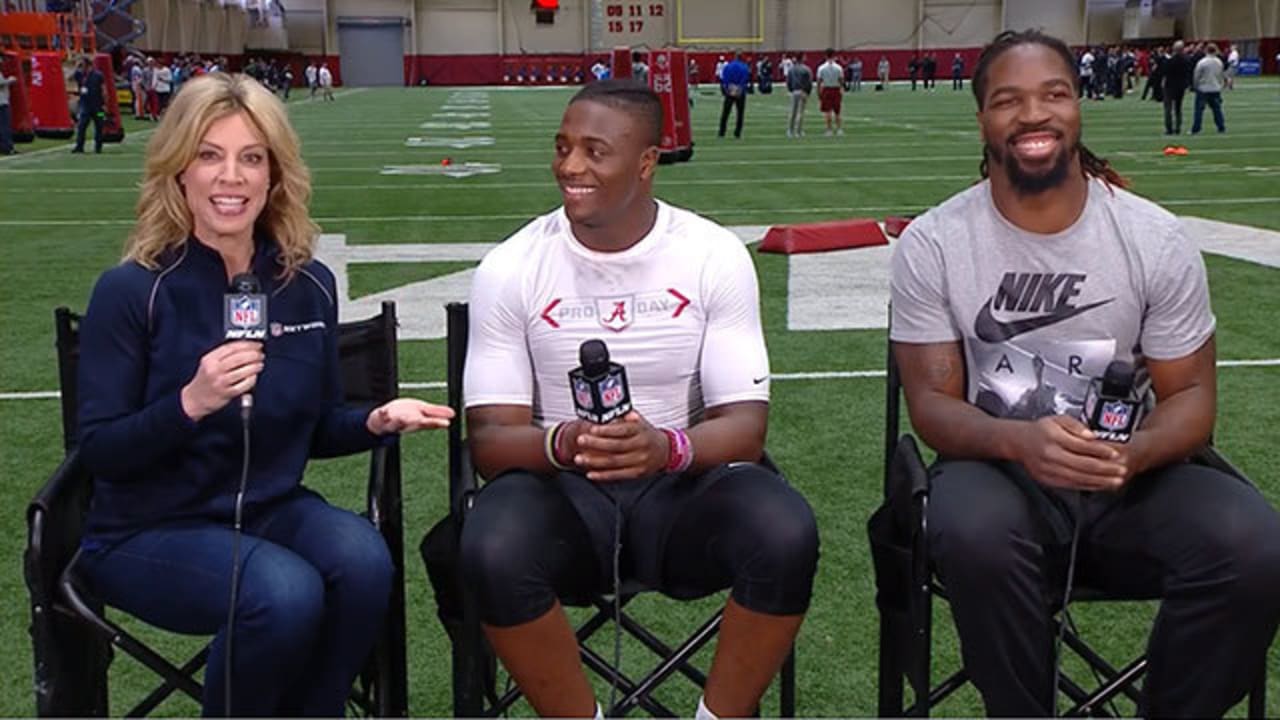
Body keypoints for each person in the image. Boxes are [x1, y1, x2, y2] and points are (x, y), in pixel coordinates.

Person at [889, 29, 1280, 717]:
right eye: (1008, 100)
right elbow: (932, 405)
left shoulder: (1152, 238)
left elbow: (1190, 397)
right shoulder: (935, 242)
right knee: (974, 532)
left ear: (1079, 107)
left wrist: (1134, 454)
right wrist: (1020, 441)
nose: (1033, 114)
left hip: (1129, 475)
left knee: (1253, 542)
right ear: (982, 118)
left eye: (1054, 95)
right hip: (997, 470)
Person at [74, 72, 455, 716]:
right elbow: (100, 451)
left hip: (269, 509)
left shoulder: (304, 284)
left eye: (251, 158)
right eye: (210, 155)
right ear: (179, 172)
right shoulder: (132, 290)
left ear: (274, 175)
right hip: (147, 527)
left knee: (363, 562)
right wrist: (189, 402)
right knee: (283, 590)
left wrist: (375, 420)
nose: (232, 177)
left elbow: (318, 424)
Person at [458, 80, 818, 720]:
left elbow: (744, 428)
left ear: (646, 163)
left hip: (683, 487)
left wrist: (665, 447)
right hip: (564, 493)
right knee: (491, 541)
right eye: (564, 147)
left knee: (784, 530)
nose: (571, 166)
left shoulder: (712, 255)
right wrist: (564, 441)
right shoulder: (510, 266)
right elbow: (490, 443)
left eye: (596, 151)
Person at [72, 57, 105, 154]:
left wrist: (105, 104)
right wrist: (77, 66)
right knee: (81, 126)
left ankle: (98, 147)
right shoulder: (80, 74)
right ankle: (79, 146)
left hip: (98, 106)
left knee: (100, 126)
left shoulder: (98, 75)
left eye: (82, 64)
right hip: (85, 106)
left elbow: (103, 90)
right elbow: (71, 77)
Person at [1192, 43, 1226, 134]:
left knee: (1199, 110)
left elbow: (1196, 76)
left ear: (1206, 50)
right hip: (1215, 88)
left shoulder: (1202, 62)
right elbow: (1221, 75)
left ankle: (1196, 129)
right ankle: (1221, 127)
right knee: (1217, 110)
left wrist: (1195, 86)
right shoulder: (1219, 62)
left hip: (1203, 89)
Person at [1162, 40, 1192, 134]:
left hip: (1170, 86)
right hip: (1181, 86)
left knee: (1168, 108)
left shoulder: (1170, 60)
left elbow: (1165, 72)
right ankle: (1178, 127)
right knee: (1178, 108)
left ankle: (1169, 128)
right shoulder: (1187, 60)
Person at [717, 52, 749, 139]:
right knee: (740, 113)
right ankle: (737, 133)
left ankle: (722, 132)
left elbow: (724, 79)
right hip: (740, 90)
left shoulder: (728, 66)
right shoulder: (744, 67)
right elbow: (745, 79)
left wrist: (728, 89)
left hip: (730, 90)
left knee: (725, 113)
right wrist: (740, 88)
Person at [816, 48, 843, 136]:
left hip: (826, 89)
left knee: (828, 111)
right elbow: (841, 81)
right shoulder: (839, 67)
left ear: (825, 56)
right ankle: (839, 129)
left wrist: (818, 93)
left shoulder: (821, 68)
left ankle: (829, 130)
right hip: (836, 89)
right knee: (837, 111)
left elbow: (819, 82)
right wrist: (841, 90)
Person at [785, 53, 812, 138]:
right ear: (802, 58)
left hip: (794, 91)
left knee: (792, 112)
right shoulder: (806, 69)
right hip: (803, 91)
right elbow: (809, 82)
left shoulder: (791, 69)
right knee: (800, 112)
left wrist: (790, 90)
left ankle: (790, 130)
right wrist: (807, 92)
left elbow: (788, 81)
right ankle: (798, 131)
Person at [0, 64, 15, 155]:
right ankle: (7, 147)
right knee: (4, 125)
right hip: (1, 102)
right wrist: (10, 80)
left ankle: (4, 146)